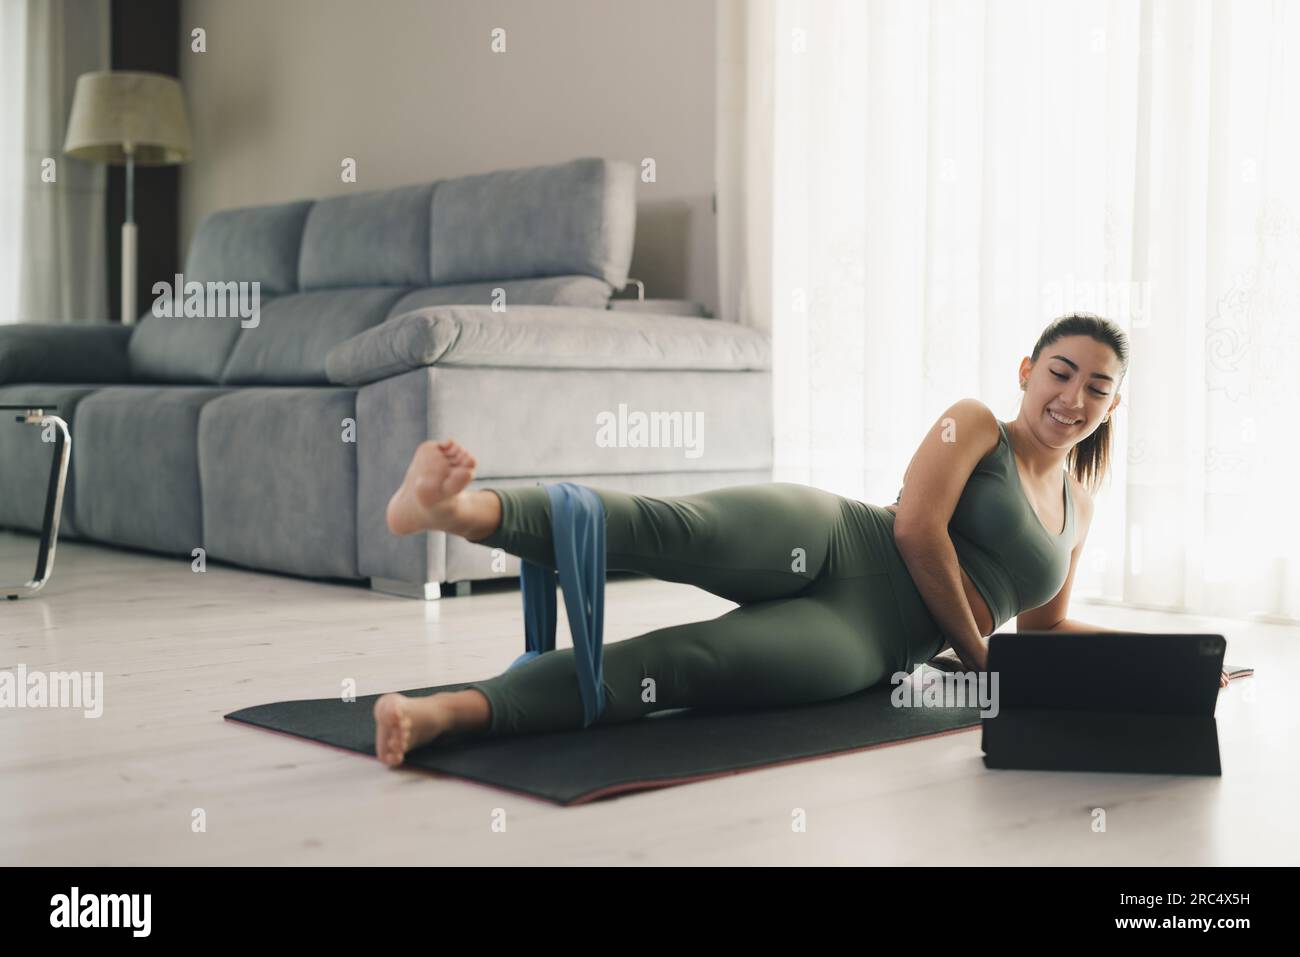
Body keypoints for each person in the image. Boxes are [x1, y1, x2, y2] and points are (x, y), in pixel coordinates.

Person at [372, 313, 1228, 766]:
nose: (1073, 395)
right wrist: (975, 651)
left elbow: (1042, 634)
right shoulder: (974, 423)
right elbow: (915, 528)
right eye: (1061, 371)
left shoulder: (1081, 506)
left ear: (1114, 407)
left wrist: (1176, 656)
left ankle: (442, 713)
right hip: (837, 538)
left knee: (679, 667)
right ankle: (453, 511)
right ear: (1026, 372)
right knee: (666, 528)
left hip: (867, 638)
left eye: (1098, 387)